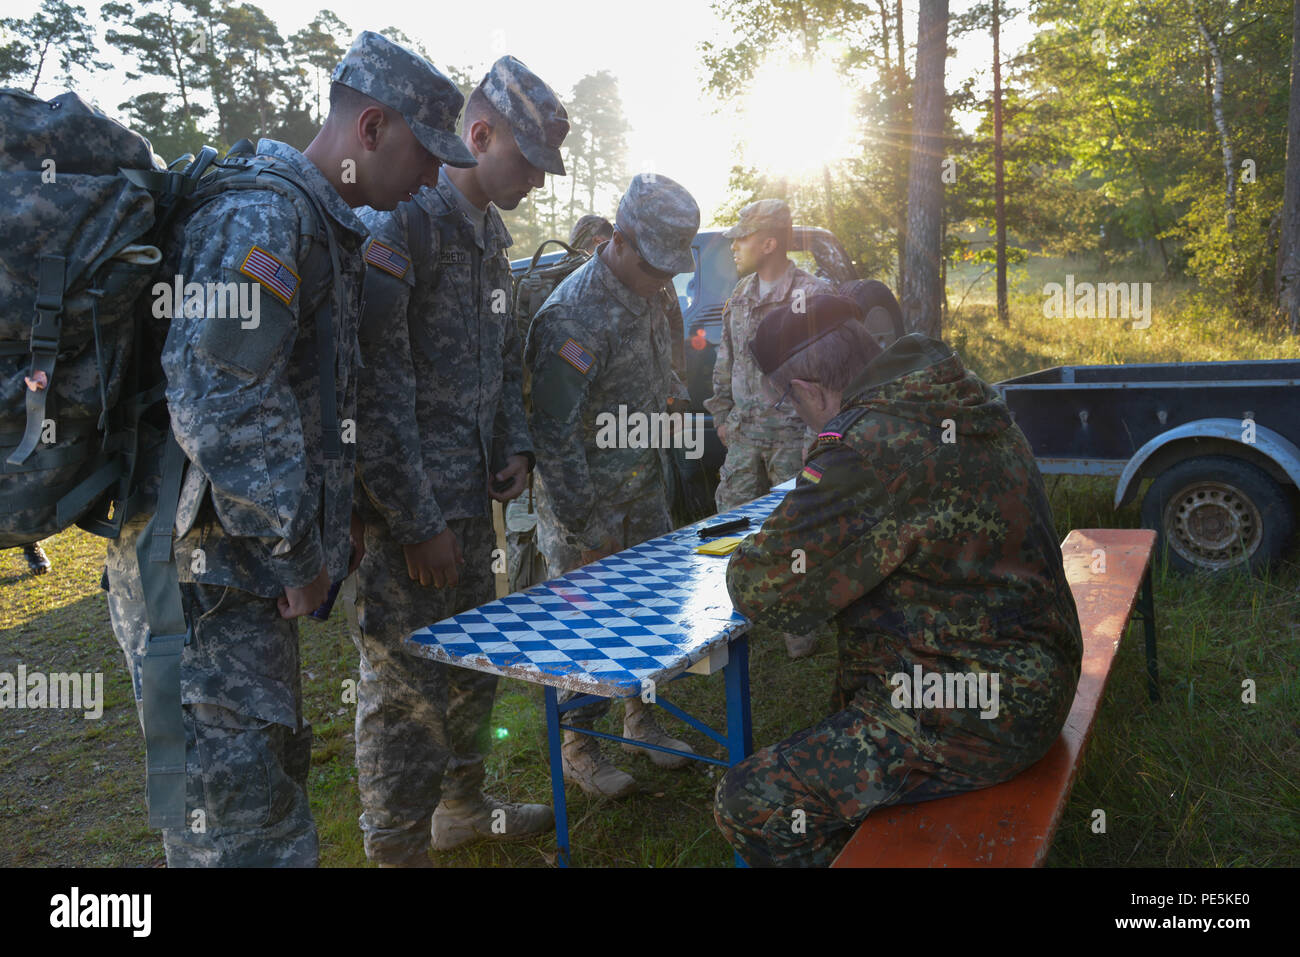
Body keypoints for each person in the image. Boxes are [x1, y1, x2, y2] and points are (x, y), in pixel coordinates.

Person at [102, 30, 474, 867]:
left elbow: (307, 398)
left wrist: (329, 517)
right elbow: (221, 401)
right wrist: (296, 546)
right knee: (244, 838)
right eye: (424, 154)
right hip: (203, 586)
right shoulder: (263, 217)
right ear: (371, 128)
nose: (430, 179)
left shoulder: (316, 223)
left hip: (231, 578)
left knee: (258, 804)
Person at [712, 294, 1084, 867]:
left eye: (790, 403)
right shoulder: (955, 397)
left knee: (751, 800)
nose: (798, 416)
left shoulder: (863, 447)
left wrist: (775, 541)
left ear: (809, 389)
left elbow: (766, 591)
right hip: (1041, 668)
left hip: (984, 713)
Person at [350, 55, 568, 864]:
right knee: (406, 687)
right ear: (479, 134)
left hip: (473, 507)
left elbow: (501, 357)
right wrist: (414, 520)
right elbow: (374, 388)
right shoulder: (403, 223)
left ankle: (462, 805)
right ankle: (396, 844)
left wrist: (514, 442)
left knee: (474, 663)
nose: (539, 186)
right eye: (530, 163)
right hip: (415, 516)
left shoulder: (490, 239)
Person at [525, 173, 699, 798]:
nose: (664, 281)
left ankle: (644, 718)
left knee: (653, 611)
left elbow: (666, 361)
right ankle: (579, 745)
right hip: (588, 502)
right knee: (584, 627)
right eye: (656, 266)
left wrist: (674, 399)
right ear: (620, 239)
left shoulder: (653, 290)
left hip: (643, 487)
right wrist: (586, 528)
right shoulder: (572, 315)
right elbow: (553, 434)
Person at [703, 199, 832, 658]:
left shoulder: (813, 296)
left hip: (793, 435)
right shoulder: (740, 295)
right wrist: (721, 415)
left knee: (793, 530)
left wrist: (818, 438)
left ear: (770, 242)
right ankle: (725, 621)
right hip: (743, 435)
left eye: (743, 237)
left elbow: (826, 370)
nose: (735, 245)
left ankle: (799, 627)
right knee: (727, 527)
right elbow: (727, 359)